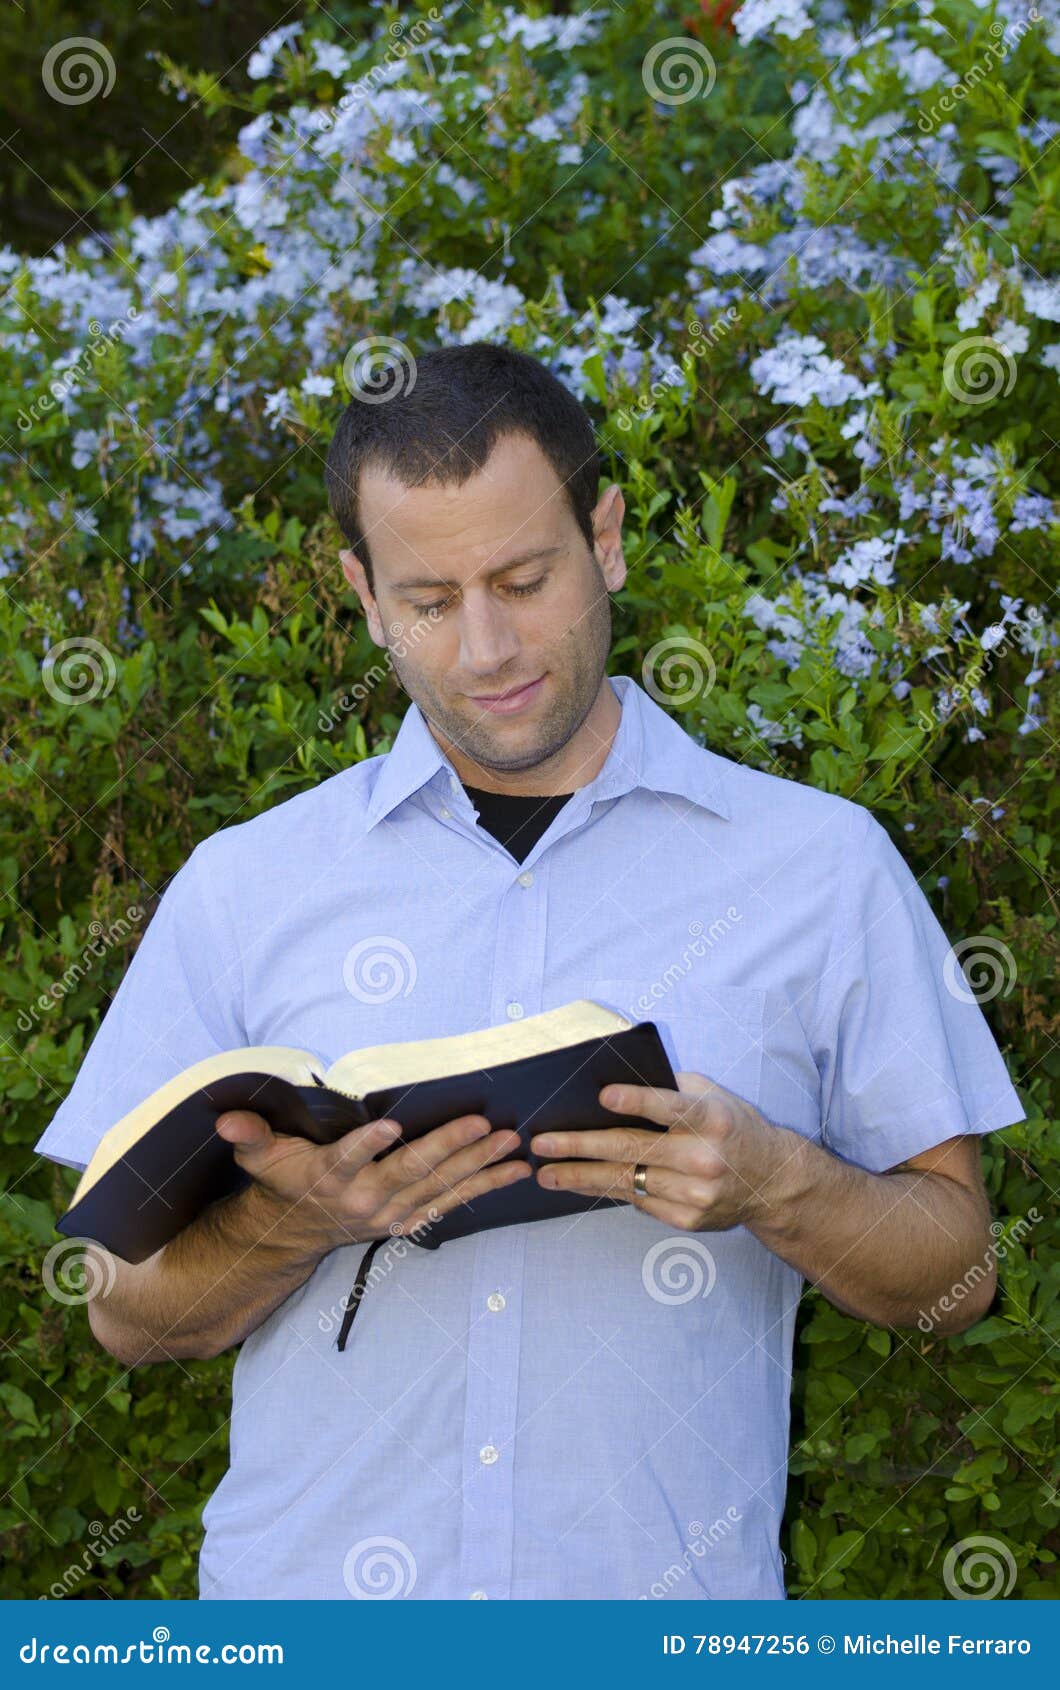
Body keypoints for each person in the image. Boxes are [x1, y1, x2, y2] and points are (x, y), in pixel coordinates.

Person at [35, 342, 1025, 1601]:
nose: (486, 647)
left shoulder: (821, 866)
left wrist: (777, 1181)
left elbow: (956, 1279)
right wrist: (306, 1218)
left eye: (523, 579)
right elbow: (121, 1310)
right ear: (362, 594)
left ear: (603, 540)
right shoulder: (244, 884)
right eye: (429, 600)